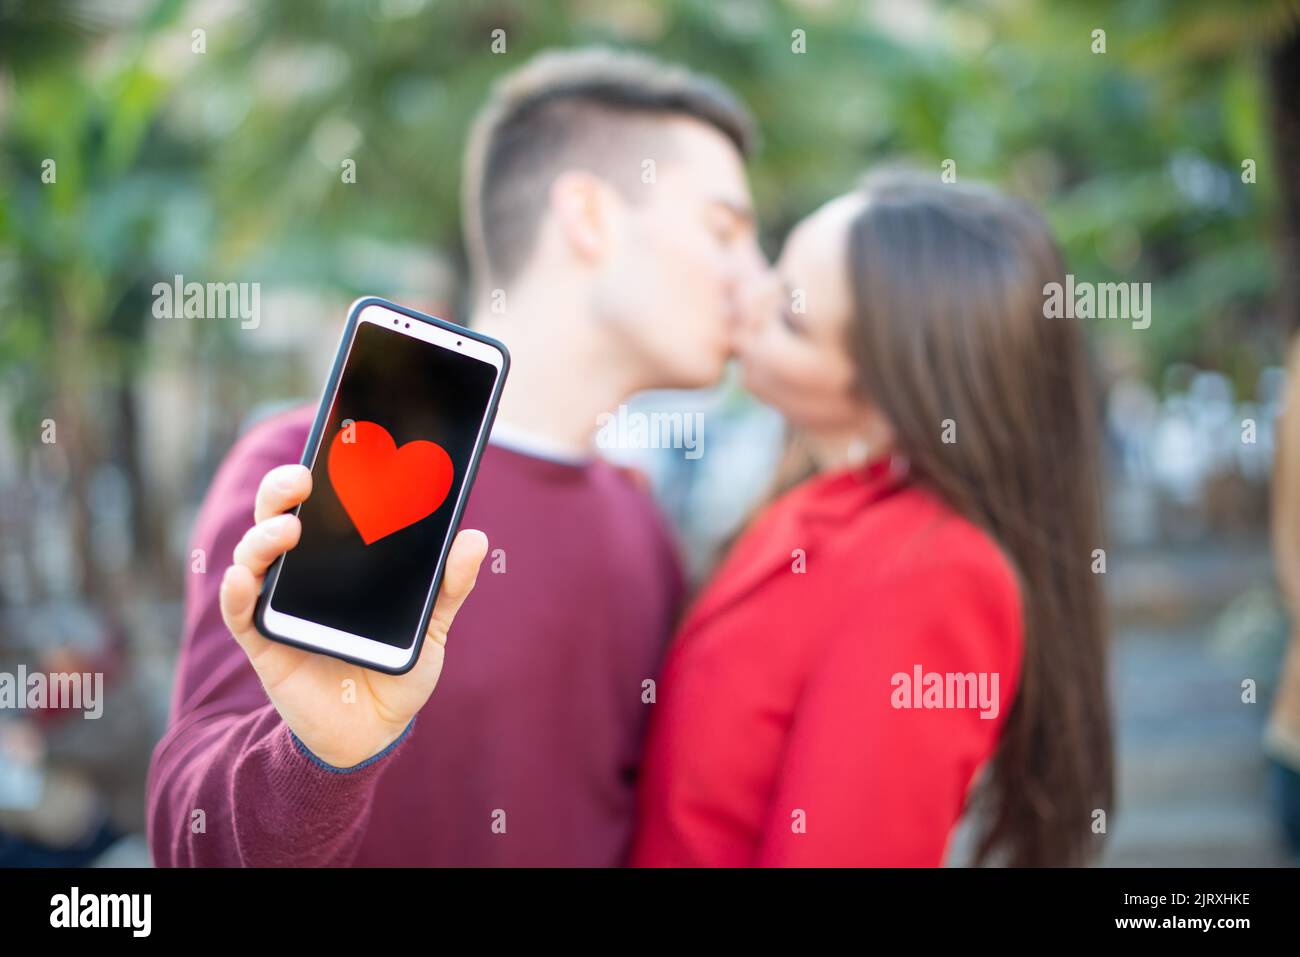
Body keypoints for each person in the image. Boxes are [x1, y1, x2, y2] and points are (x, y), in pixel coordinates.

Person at [146, 47, 765, 866]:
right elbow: (191, 845)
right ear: (590, 217)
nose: (754, 282)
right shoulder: (298, 463)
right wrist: (320, 759)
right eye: (725, 231)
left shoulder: (639, 523)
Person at [631, 171, 1114, 866]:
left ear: (898, 396)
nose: (746, 301)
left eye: (792, 319)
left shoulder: (937, 573)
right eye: (777, 266)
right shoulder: (815, 499)